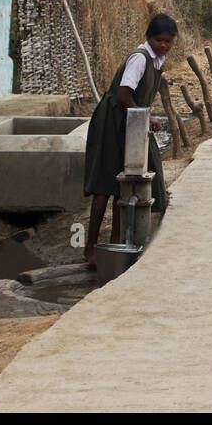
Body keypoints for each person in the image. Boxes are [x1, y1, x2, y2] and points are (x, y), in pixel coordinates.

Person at [82, 13, 177, 266]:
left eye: (168, 41)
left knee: (123, 186)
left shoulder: (158, 61)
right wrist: (147, 117)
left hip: (130, 123)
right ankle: (90, 249)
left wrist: (144, 117)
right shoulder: (140, 59)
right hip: (113, 121)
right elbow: (124, 95)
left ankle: (114, 245)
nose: (163, 45)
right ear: (149, 38)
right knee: (104, 184)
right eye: (159, 40)